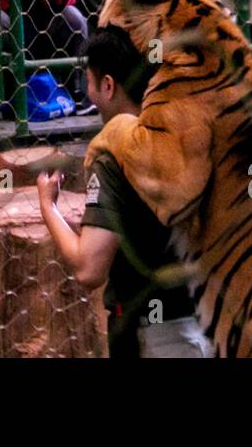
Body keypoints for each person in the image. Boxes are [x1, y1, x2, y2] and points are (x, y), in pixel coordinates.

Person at [36, 24, 209, 359]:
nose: (87, 92)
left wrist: (48, 207)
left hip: (156, 336)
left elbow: (90, 269)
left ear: (108, 85)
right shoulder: (184, 132)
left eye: (88, 81)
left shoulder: (116, 154)